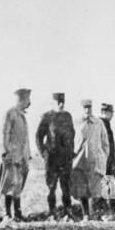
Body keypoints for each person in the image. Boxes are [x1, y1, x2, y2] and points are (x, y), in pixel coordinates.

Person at [35, 92, 75, 220]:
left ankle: (68, 211)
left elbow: (72, 135)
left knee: (66, 186)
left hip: (65, 158)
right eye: (58, 102)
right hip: (52, 158)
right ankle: (52, 211)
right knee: (51, 187)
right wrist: (44, 153)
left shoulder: (68, 116)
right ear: (53, 103)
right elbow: (38, 136)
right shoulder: (47, 117)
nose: (61, 105)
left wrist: (71, 152)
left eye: (62, 102)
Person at [0, 88, 32, 222]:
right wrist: (6, 152)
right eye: (27, 100)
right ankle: (7, 214)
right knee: (10, 184)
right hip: (12, 156)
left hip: (21, 157)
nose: (29, 103)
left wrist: (27, 154)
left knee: (18, 185)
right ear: (21, 100)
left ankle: (17, 213)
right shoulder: (10, 113)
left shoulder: (22, 115)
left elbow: (24, 138)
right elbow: (4, 134)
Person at [71, 99, 109, 221]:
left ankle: (96, 215)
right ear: (82, 109)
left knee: (95, 190)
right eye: (85, 108)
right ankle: (85, 215)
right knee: (82, 189)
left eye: (89, 108)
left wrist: (103, 158)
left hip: (95, 161)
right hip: (80, 161)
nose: (87, 110)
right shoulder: (76, 123)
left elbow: (105, 144)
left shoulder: (98, 123)